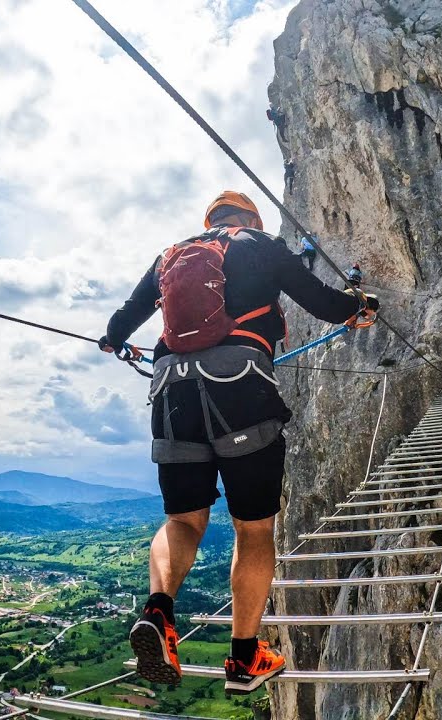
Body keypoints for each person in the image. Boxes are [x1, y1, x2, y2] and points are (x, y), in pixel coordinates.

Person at [97, 190, 380, 695]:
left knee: (183, 520)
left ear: (207, 222)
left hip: (170, 391)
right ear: (250, 218)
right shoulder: (262, 244)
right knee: (252, 529)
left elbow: (125, 319)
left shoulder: (171, 255)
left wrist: (114, 339)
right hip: (241, 386)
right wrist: (362, 307)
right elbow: (325, 303)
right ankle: (246, 658)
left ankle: (158, 612)